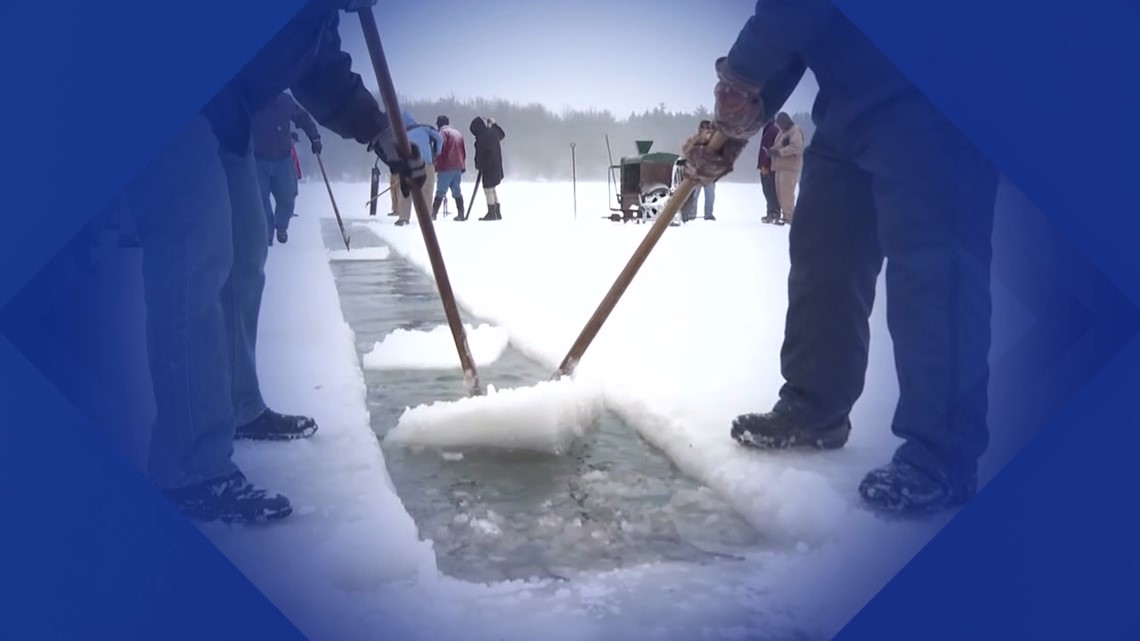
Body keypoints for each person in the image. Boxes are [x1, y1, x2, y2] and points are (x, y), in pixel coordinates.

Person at [682, 0, 998, 516]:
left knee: (934, 274)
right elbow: (800, 29)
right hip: (848, 107)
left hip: (936, 102)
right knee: (823, 252)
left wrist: (740, 74)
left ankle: (943, 453)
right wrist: (743, 115)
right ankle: (815, 408)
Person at [128, 0, 425, 524]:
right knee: (195, 256)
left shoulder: (320, 18)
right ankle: (190, 465)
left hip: (228, 117)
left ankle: (240, 405)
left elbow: (321, 70)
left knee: (246, 255)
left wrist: (379, 132)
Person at [253, 92, 322, 244]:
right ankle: (267, 233)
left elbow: (303, 118)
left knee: (287, 198)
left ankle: (281, 226)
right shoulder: (251, 98)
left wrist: (314, 137)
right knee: (260, 199)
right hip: (258, 160)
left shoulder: (284, 100)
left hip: (282, 160)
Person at [394, 111, 443, 226]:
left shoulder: (400, 134)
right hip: (427, 162)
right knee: (427, 190)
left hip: (408, 165)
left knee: (405, 191)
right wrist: (437, 151)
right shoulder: (424, 128)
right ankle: (427, 218)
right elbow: (439, 138)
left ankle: (403, 217)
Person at [768, 112, 804, 224]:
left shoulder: (795, 131)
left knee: (787, 193)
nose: (779, 127)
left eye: (780, 124)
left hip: (789, 167)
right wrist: (772, 151)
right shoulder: (783, 132)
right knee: (780, 193)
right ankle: (786, 214)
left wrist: (780, 152)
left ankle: (789, 216)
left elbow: (796, 147)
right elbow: (780, 145)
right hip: (780, 166)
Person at [469, 116, 506, 221]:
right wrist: (494, 124)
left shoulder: (480, 138)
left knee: (488, 189)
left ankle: (491, 213)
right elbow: (502, 134)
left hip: (488, 166)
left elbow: (479, 155)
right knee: (492, 187)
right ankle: (497, 212)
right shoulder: (493, 132)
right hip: (497, 165)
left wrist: (478, 166)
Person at [681, 120, 718, 222]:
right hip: (695, 173)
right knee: (693, 196)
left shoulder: (715, 142)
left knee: (710, 196)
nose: (705, 130)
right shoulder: (694, 140)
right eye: (703, 128)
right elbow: (685, 150)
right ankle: (691, 214)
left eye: (708, 128)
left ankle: (708, 215)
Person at [433, 115, 468, 221]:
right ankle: (461, 213)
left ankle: (433, 214)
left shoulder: (442, 133)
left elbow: (439, 149)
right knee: (457, 191)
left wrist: (435, 163)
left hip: (446, 166)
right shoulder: (458, 133)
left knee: (440, 191)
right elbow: (463, 151)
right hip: (458, 166)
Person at [757, 119, 781, 223]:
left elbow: (770, 149)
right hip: (764, 165)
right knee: (766, 190)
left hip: (769, 166)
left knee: (771, 190)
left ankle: (774, 212)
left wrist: (765, 165)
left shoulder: (773, 130)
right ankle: (770, 212)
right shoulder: (767, 130)